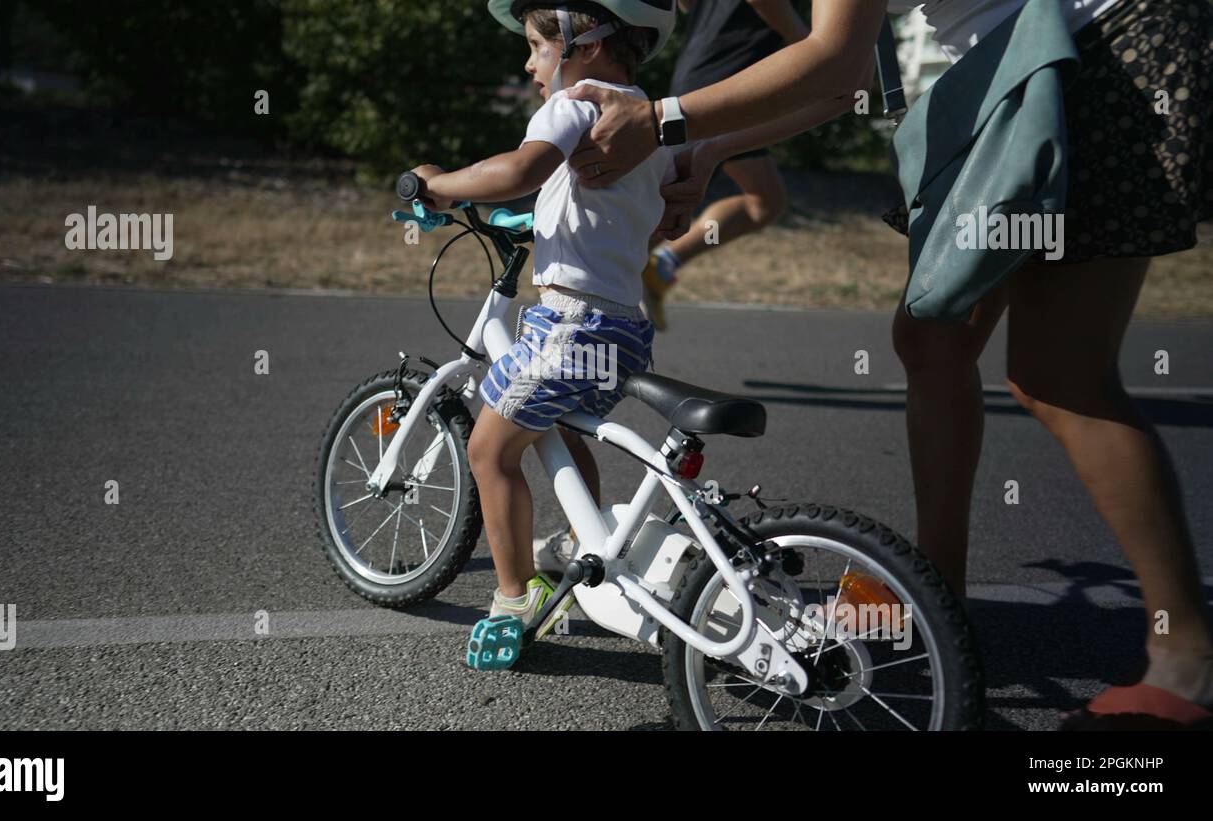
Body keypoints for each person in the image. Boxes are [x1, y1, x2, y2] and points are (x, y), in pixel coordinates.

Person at [559, 0, 1213, 728]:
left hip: (1102, 43)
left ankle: (1184, 654)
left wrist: (657, 121)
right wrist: (711, 149)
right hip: (1013, 60)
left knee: (1062, 374)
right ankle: (937, 594)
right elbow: (848, 83)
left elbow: (834, 61)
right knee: (932, 338)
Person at [407, 0, 675, 633]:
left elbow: (521, 169)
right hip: (625, 331)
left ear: (585, 41)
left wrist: (437, 184)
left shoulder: (576, 101)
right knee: (561, 428)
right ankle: (588, 540)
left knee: (489, 451)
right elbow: (605, 204)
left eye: (535, 46)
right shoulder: (642, 121)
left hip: (572, 323)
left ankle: (513, 595)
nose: (530, 64)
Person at [642, 0, 809, 330]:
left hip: (716, 75)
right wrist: (808, 44)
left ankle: (656, 268)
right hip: (727, 82)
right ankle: (593, 283)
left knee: (765, 201)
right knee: (670, 203)